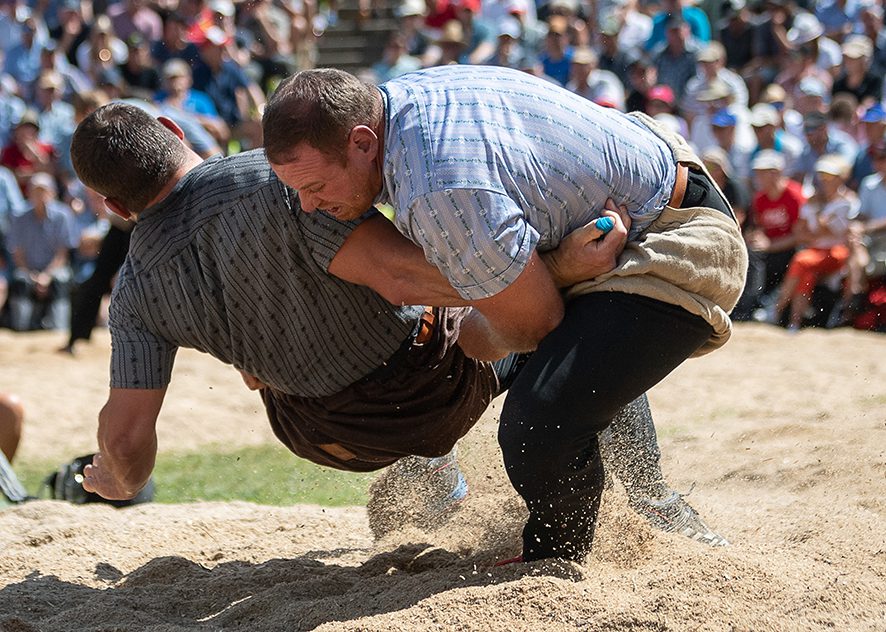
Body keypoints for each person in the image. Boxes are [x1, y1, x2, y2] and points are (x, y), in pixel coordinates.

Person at [72, 103, 730, 550]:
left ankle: (434, 474)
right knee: (573, 332)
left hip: (323, 438)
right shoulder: (278, 179)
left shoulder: (134, 288)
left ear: (114, 205)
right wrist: (553, 268)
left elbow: (127, 444)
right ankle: (657, 503)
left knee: (275, 364)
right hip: (429, 386)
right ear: (171, 128)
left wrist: (113, 479)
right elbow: (404, 278)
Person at [262, 65, 748, 563]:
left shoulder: (437, 191)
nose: (307, 205)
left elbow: (536, 324)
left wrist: (553, 273)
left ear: (363, 142)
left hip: (675, 242)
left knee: (538, 427)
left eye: (316, 186)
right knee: (498, 343)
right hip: (643, 186)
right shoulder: (397, 101)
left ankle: (567, 557)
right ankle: (446, 464)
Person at [771, 154, 858, 330]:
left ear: (840, 178)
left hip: (837, 253)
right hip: (815, 252)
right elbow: (800, 231)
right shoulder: (814, 200)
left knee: (801, 260)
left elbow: (825, 231)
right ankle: (794, 322)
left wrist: (818, 217)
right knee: (806, 272)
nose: (824, 180)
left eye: (829, 176)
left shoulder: (848, 202)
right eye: (822, 175)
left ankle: (777, 308)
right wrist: (818, 225)